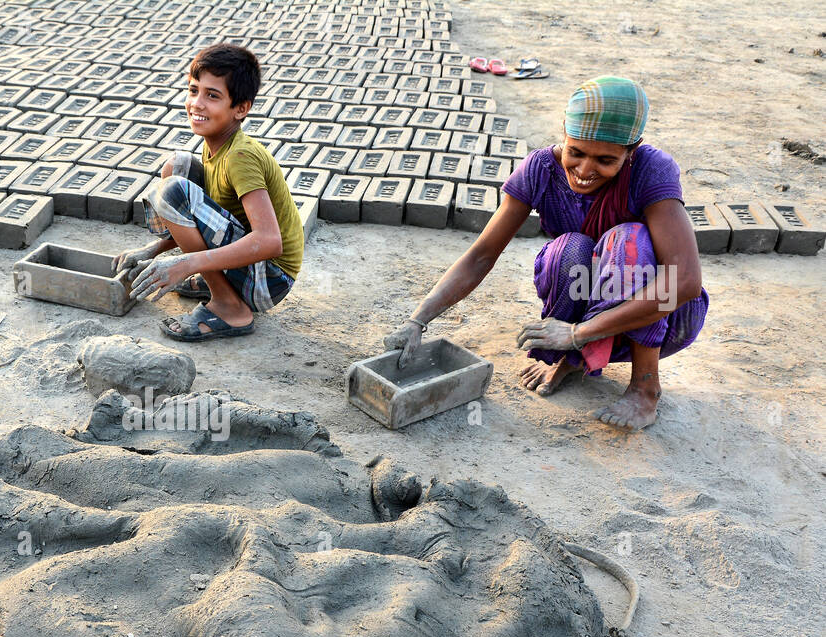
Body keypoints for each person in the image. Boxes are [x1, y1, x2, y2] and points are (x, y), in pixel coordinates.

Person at [385, 75, 707, 430]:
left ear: (632, 151)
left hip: (663, 316)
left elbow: (685, 283)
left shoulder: (651, 169)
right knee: (568, 249)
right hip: (589, 303)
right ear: (564, 135)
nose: (585, 171)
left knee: (628, 240)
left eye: (605, 160)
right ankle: (568, 360)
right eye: (576, 152)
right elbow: (481, 255)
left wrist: (575, 334)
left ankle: (646, 390)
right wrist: (418, 320)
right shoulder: (540, 168)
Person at [113, 43, 305, 341]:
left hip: (271, 279)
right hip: (252, 268)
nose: (197, 104)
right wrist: (152, 251)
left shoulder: (241, 157)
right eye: (193, 91)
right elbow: (200, 222)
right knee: (177, 168)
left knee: (175, 192)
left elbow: (270, 242)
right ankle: (217, 283)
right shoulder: (215, 143)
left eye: (212, 96)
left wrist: (186, 263)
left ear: (241, 108)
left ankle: (230, 308)